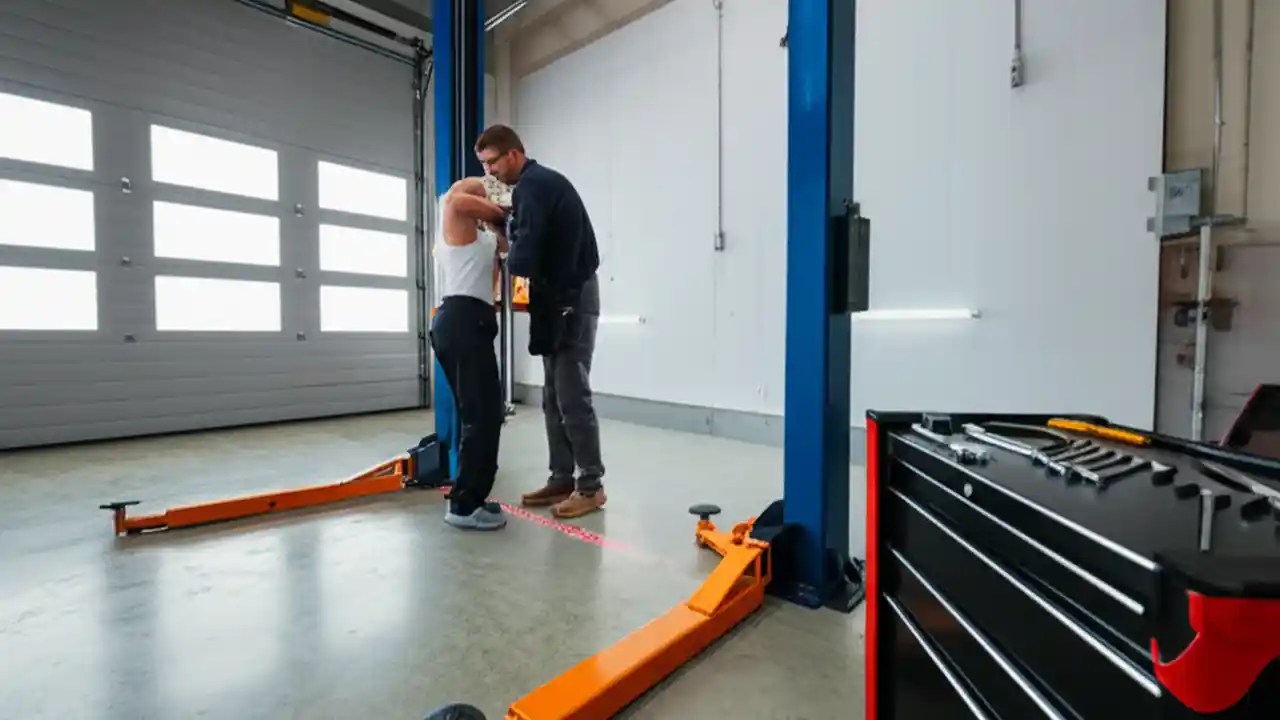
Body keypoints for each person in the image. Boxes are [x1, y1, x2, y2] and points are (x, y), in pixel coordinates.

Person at [474, 124, 606, 519]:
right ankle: (562, 476)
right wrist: (506, 225)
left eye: (492, 162)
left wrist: (499, 238)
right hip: (555, 298)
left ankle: (591, 485)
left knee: (570, 393)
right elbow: (532, 240)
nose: (489, 172)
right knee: (552, 396)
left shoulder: (534, 186)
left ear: (514, 154)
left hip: (571, 298)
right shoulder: (530, 190)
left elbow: (526, 256)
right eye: (484, 165)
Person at [432, 177, 509, 530]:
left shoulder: (484, 238)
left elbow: (505, 254)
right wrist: (502, 211)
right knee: (481, 416)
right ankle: (464, 507)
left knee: (483, 414)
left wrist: (501, 229)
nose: (479, 198)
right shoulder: (454, 218)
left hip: (475, 322)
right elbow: (457, 201)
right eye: (478, 193)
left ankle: (473, 495)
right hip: (460, 318)